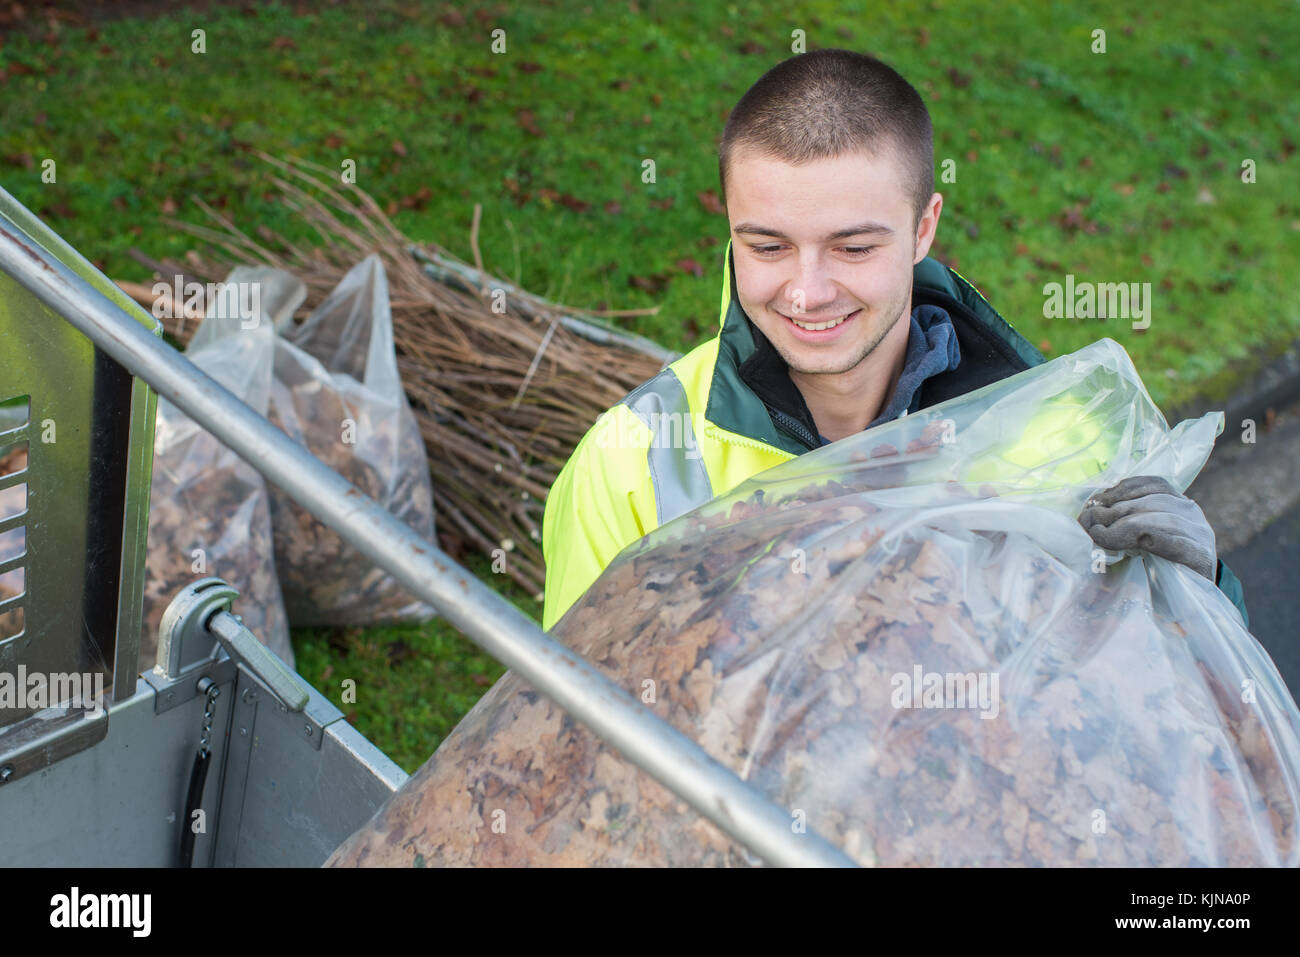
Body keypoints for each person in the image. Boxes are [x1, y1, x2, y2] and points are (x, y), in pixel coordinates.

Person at [541, 48, 1247, 632]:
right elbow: (560, 734)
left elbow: (1172, 729)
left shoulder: (1064, 440)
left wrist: (1204, 596)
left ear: (923, 228)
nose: (806, 291)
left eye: (851, 248)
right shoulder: (632, 462)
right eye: (767, 246)